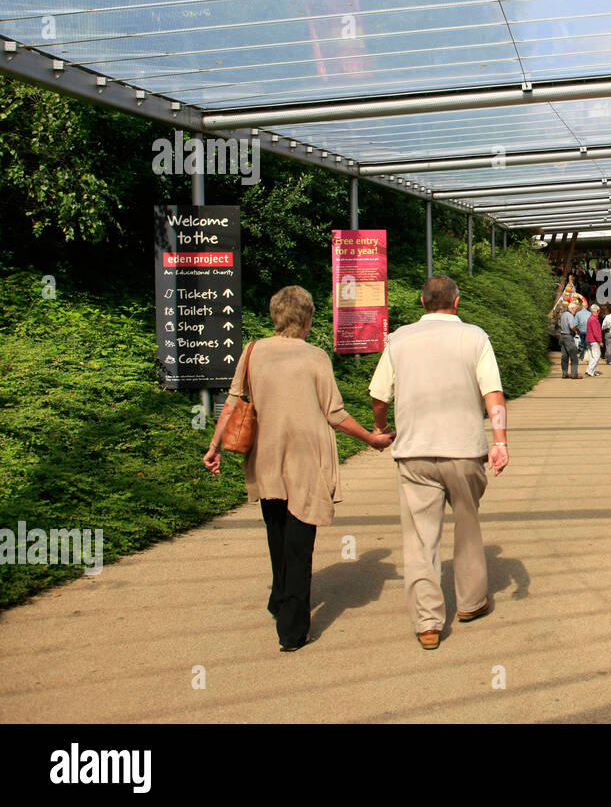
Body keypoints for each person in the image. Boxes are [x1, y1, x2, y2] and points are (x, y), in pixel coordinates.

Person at [203, 285, 393, 653]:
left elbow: (232, 404)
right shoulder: (316, 357)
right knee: (299, 544)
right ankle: (291, 629)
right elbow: (334, 413)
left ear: (276, 316)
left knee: (277, 533)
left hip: (265, 457)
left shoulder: (252, 351)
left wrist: (214, 447)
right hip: (306, 460)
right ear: (305, 319)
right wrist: (371, 439)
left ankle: (279, 597)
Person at [368, 276, 509, 651]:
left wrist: (382, 428)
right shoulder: (476, 337)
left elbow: (379, 394)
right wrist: (500, 441)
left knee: (419, 539)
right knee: (467, 525)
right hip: (464, 450)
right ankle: (470, 603)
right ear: (457, 302)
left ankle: (428, 623)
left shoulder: (398, 340)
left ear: (421, 301)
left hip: (414, 453)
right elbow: (493, 394)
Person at [559, 299, 582, 379]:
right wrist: (576, 331)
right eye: (576, 309)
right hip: (568, 337)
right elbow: (572, 326)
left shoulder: (564, 314)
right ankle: (574, 374)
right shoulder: (570, 315)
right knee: (574, 356)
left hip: (562, 336)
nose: (576, 311)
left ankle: (564, 373)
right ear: (572, 308)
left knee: (564, 356)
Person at [584, 304, 604, 377]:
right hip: (593, 340)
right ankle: (590, 371)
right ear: (596, 311)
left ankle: (591, 370)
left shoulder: (592, 318)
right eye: (598, 311)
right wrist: (600, 341)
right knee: (597, 356)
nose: (599, 312)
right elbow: (595, 332)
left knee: (592, 356)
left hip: (590, 339)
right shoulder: (593, 319)